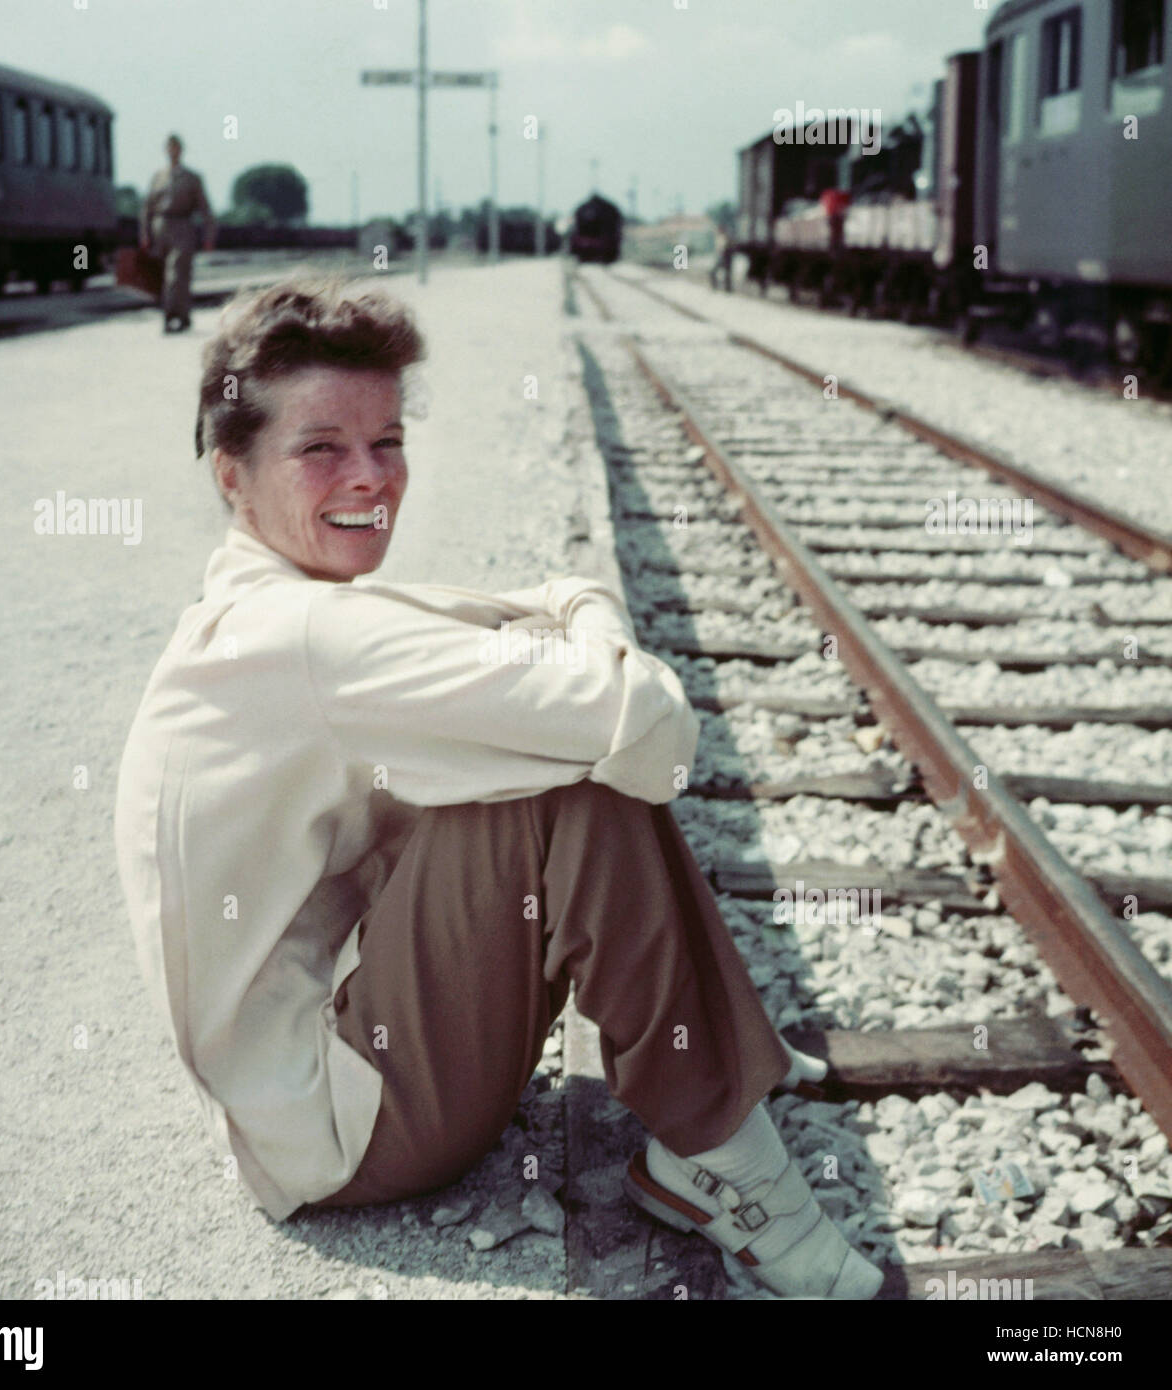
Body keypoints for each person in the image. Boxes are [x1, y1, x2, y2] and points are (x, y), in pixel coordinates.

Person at [113, 276, 884, 1300]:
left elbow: (500, 613)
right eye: (321, 448)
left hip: (308, 1078)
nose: (370, 476)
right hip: (342, 1134)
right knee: (573, 784)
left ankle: (719, 1066)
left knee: (538, 742)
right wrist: (588, 627)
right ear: (230, 473)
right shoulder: (304, 636)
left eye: (388, 440)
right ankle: (733, 1172)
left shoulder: (263, 610)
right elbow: (651, 726)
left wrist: (570, 619)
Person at [141, 134, 216, 333]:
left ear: (181, 150)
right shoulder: (158, 177)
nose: (172, 151)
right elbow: (147, 208)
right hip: (160, 226)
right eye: (169, 147)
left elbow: (204, 208)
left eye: (176, 147)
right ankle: (182, 315)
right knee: (166, 277)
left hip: (183, 225)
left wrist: (209, 235)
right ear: (165, 150)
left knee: (177, 274)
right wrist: (145, 234)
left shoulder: (192, 178)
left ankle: (170, 317)